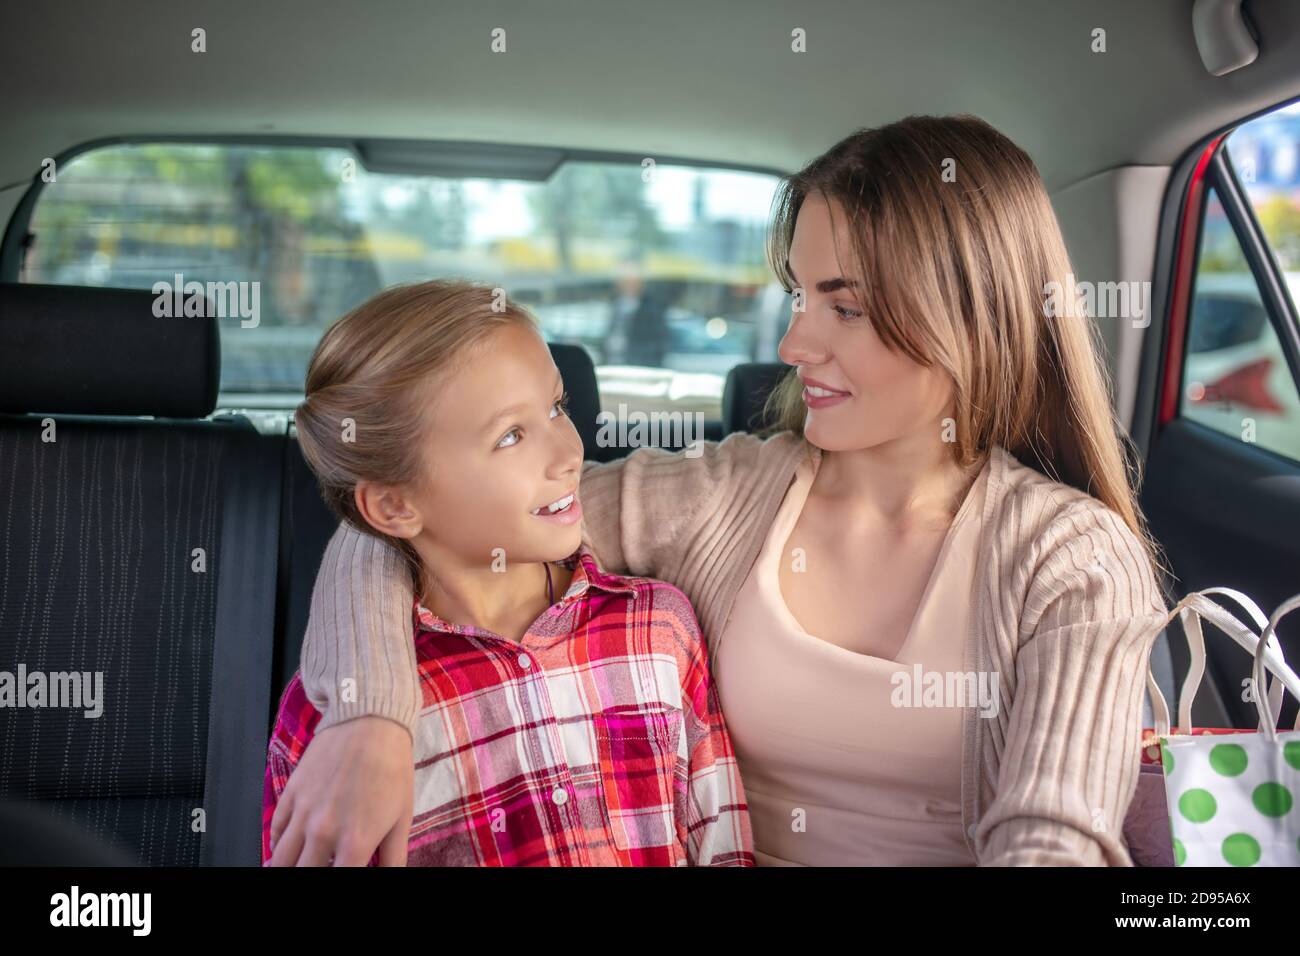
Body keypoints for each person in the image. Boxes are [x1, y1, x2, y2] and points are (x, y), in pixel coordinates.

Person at [270, 115, 1169, 867]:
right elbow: (414, 526)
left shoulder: (1074, 559)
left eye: (844, 307)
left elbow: (1054, 841)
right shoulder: (721, 497)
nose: (794, 343)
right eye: (797, 296)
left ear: (971, 315)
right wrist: (369, 719)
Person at [262, 279, 753, 866]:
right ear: (394, 507)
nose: (570, 453)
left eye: (556, 408)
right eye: (511, 436)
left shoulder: (658, 626)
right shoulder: (334, 717)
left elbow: (721, 840)